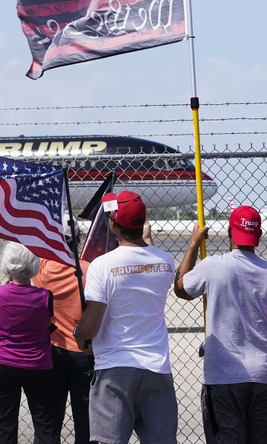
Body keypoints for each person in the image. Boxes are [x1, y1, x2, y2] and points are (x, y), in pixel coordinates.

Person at [173, 205, 267, 444]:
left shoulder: (213, 265)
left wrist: (194, 243)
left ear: (229, 232)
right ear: (259, 235)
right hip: (263, 373)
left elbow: (181, 289)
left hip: (224, 373)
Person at [73, 190, 178, 444]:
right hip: (156, 367)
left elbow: (92, 321)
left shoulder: (102, 265)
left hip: (115, 368)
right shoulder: (166, 262)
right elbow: (145, 260)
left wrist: (80, 335)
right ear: (143, 223)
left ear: (113, 225)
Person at [0, 242, 55, 444]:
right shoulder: (44, 296)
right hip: (38, 364)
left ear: (7, 267)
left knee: (5, 422)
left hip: (3, 363)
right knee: (45, 422)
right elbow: (47, 323)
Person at [32, 233, 93, 444]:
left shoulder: (40, 268)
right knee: (85, 420)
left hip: (51, 350)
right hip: (83, 351)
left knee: (49, 420)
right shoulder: (87, 269)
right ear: (77, 240)